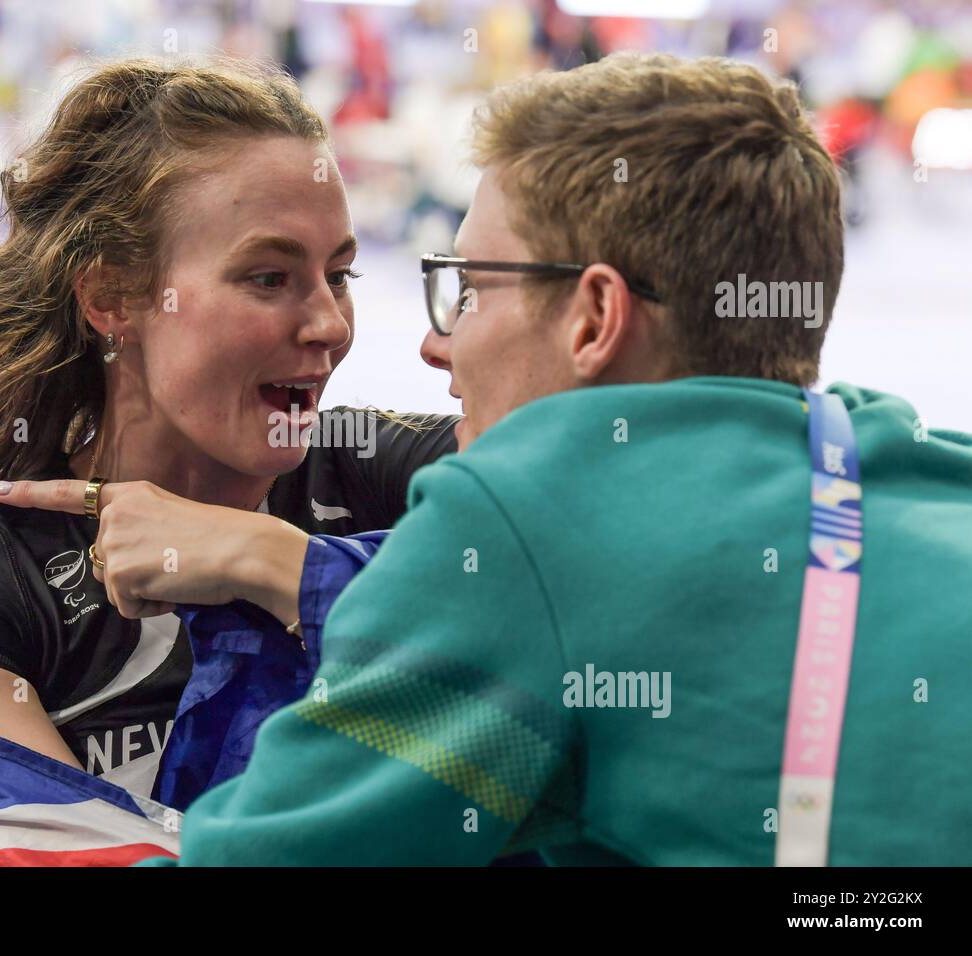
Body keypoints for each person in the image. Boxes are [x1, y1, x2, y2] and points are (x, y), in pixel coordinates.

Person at [98, 51, 969, 865]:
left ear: (593, 318)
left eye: (468, 290)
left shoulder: (528, 519)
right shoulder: (922, 466)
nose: (437, 348)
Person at [0, 57, 456, 805]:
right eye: (268, 278)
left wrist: (268, 559)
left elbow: (622, 541)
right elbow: (91, 859)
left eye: (340, 274)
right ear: (113, 295)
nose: (330, 326)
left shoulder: (375, 468)